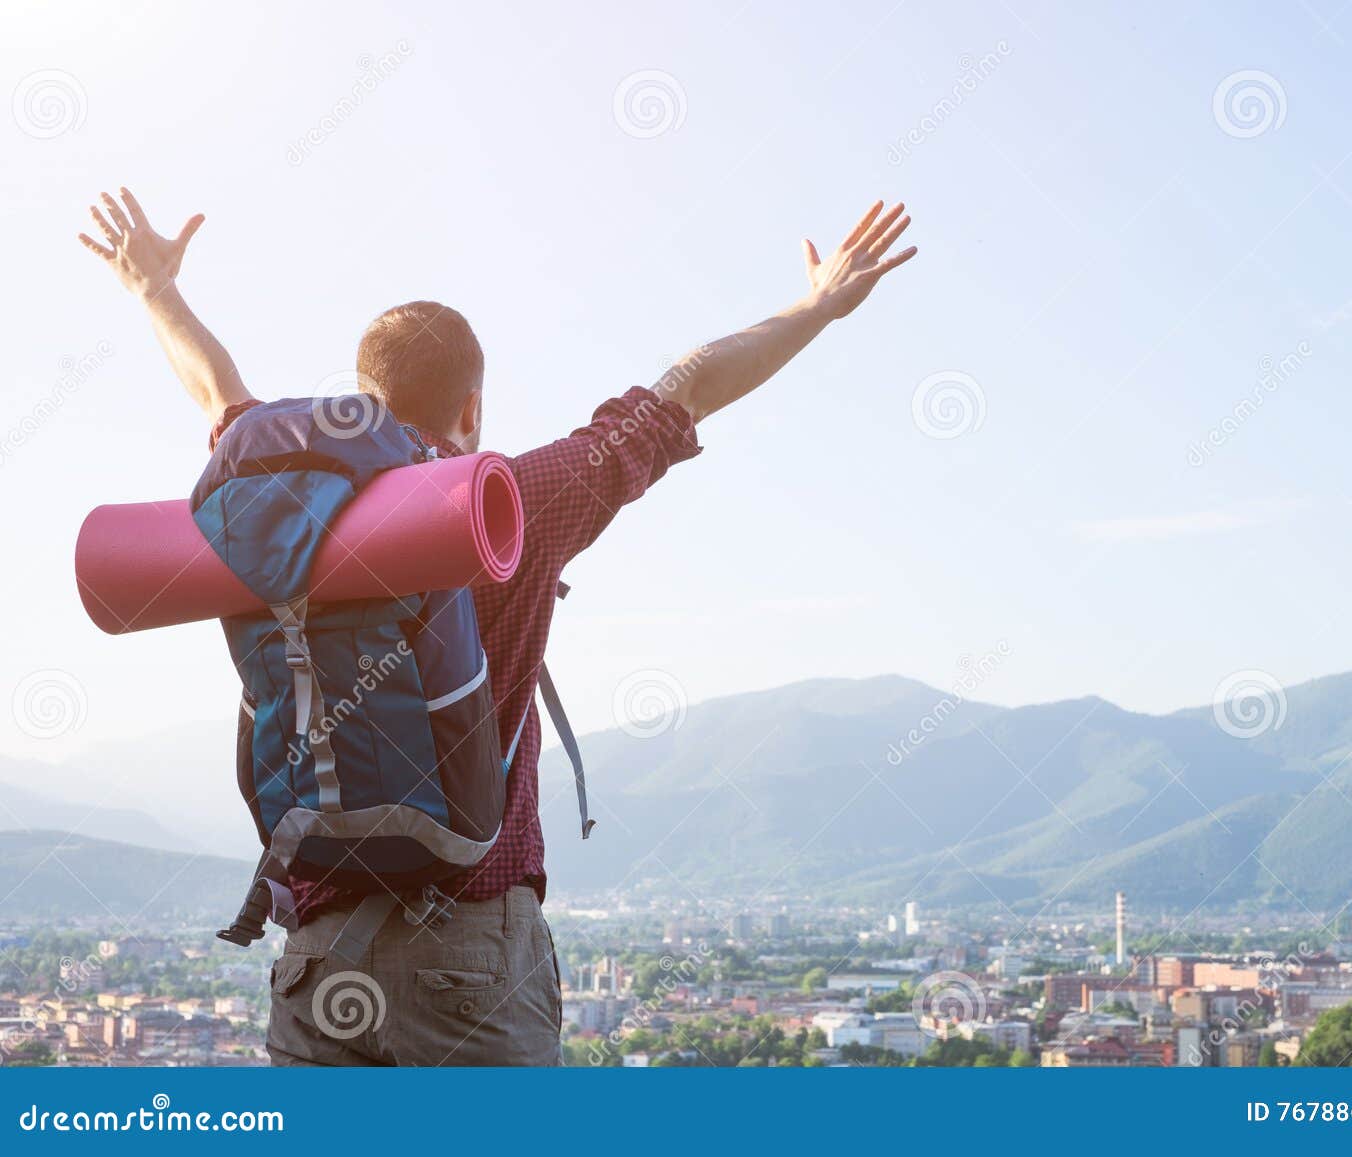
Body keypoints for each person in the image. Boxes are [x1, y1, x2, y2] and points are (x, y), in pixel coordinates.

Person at [77, 187, 917, 1065]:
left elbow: (219, 395)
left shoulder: (270, 505)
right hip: (468, 950)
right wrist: (817, 306)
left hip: (318, 960)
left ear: (363, 397)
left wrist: (155, 289)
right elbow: (686, 388)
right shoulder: (506, 504)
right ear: (471, 409)